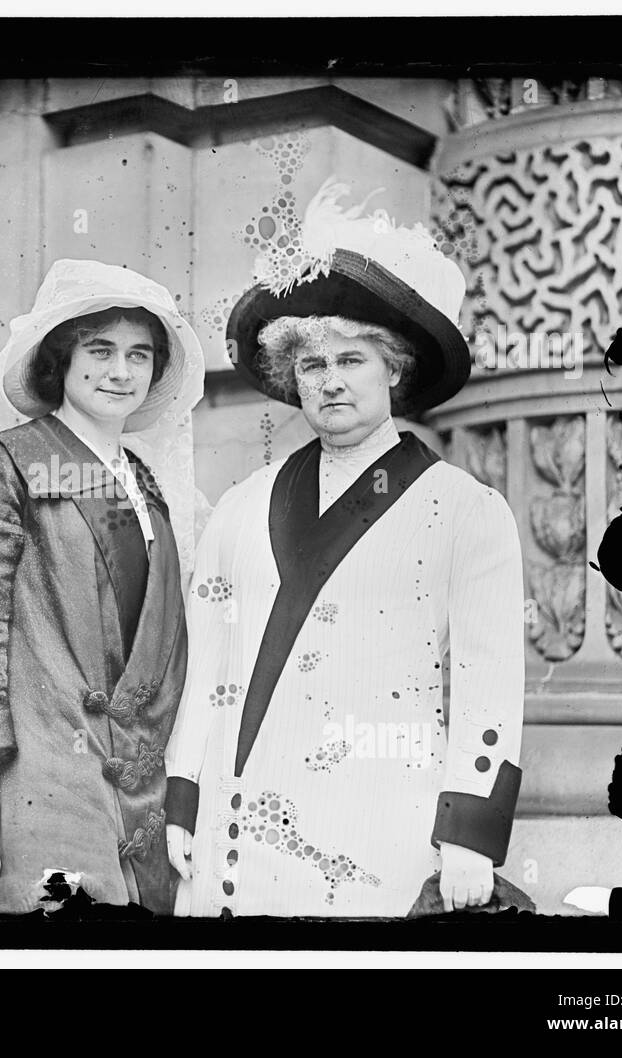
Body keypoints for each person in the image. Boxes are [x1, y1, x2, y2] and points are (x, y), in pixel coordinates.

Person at [163, 178, 525, 917]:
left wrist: (471, 834)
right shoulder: (241, 507)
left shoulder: (465, 512)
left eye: (351, 361)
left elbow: (489, 678)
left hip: (376, 838)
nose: (329, 383)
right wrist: (181, 796)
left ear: (394, 368)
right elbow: (208, 666)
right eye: (311, 366)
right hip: (235, 837)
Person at [0, 259, 205, 914]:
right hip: (40, 768)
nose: (122, 372)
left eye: (139, 355)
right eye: (101, 351)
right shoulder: (8, 463)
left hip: (135, 781)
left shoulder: (144, 483)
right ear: (61, 359)